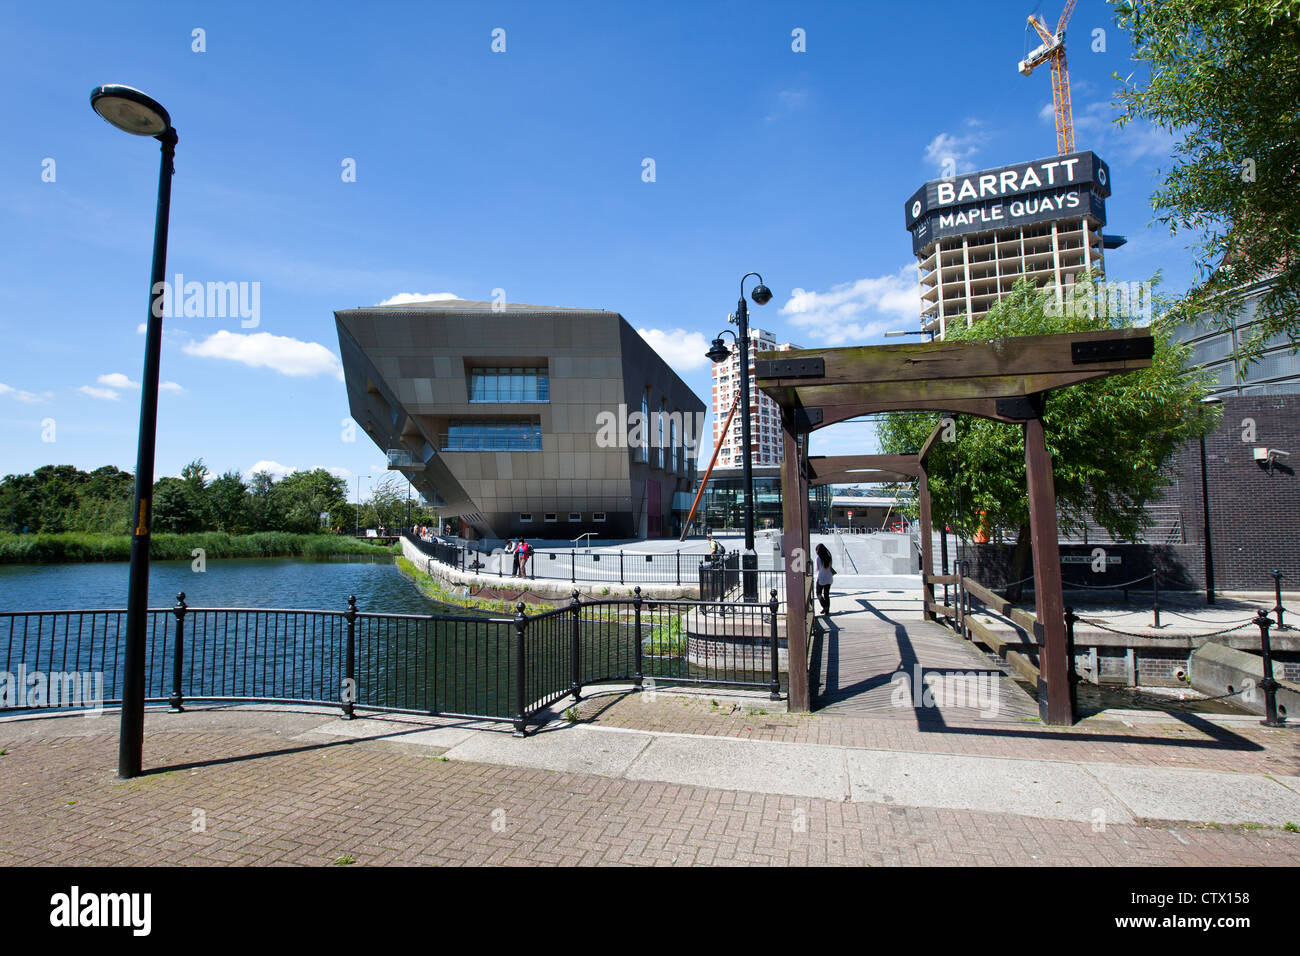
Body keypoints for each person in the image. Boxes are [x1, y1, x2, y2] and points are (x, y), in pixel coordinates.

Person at [814, 542, 835, 616]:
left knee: (818, 593)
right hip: (829, 578)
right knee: (826, 594)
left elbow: (817, 569)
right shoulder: (829, 556)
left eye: (816, 550)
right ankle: (827, 611)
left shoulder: (818, 558)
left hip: (821, 578)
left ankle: (824, 606)